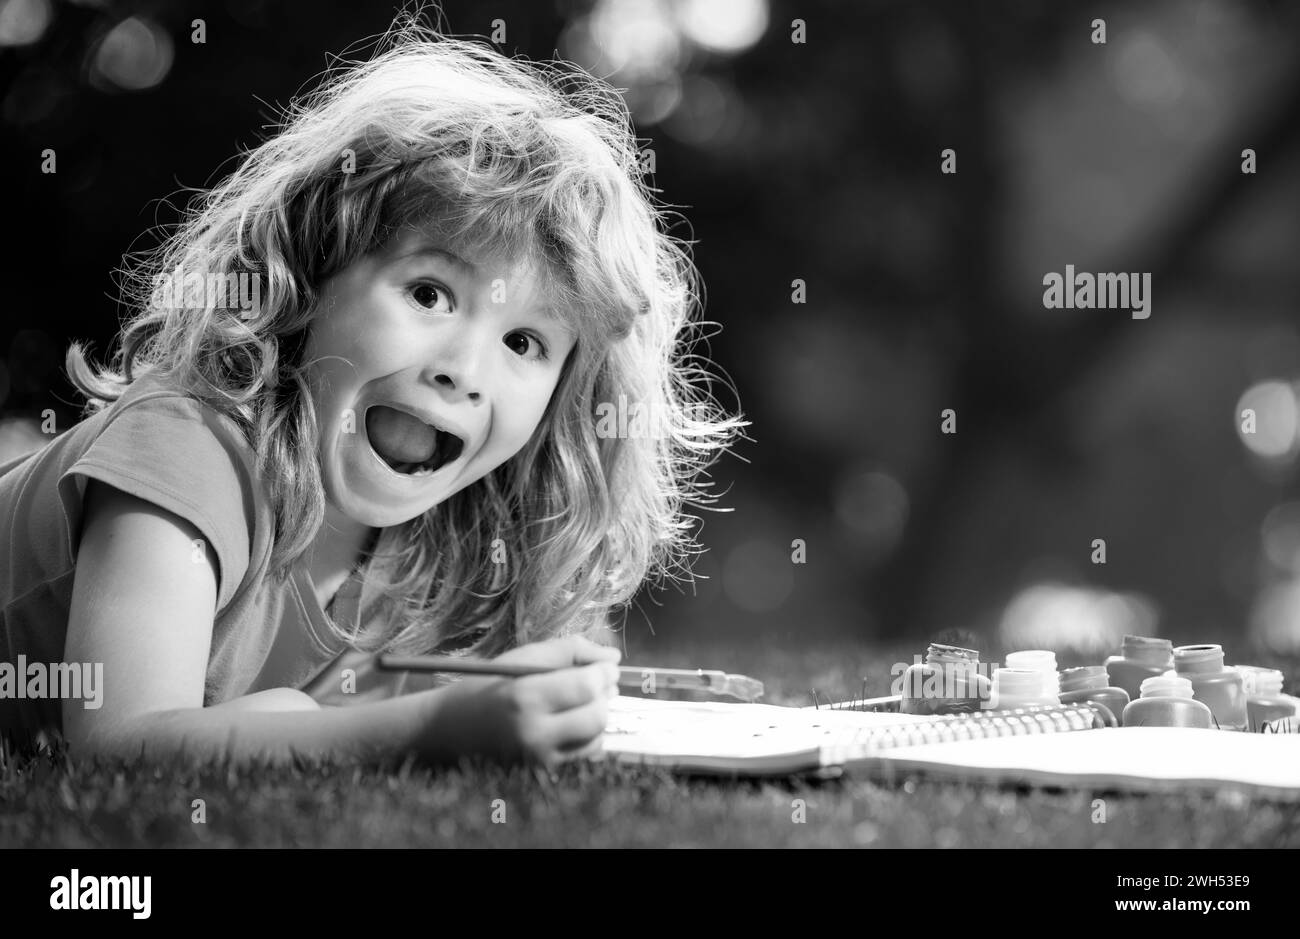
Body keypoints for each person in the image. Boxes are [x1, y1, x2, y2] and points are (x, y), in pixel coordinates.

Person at [0, 24, 746, 767]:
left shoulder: (438, 540)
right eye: (430, 293)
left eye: (525, 343)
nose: (465, 369)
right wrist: (429, 729)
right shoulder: (186, 449)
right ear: (311, 272)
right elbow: (120, 744)